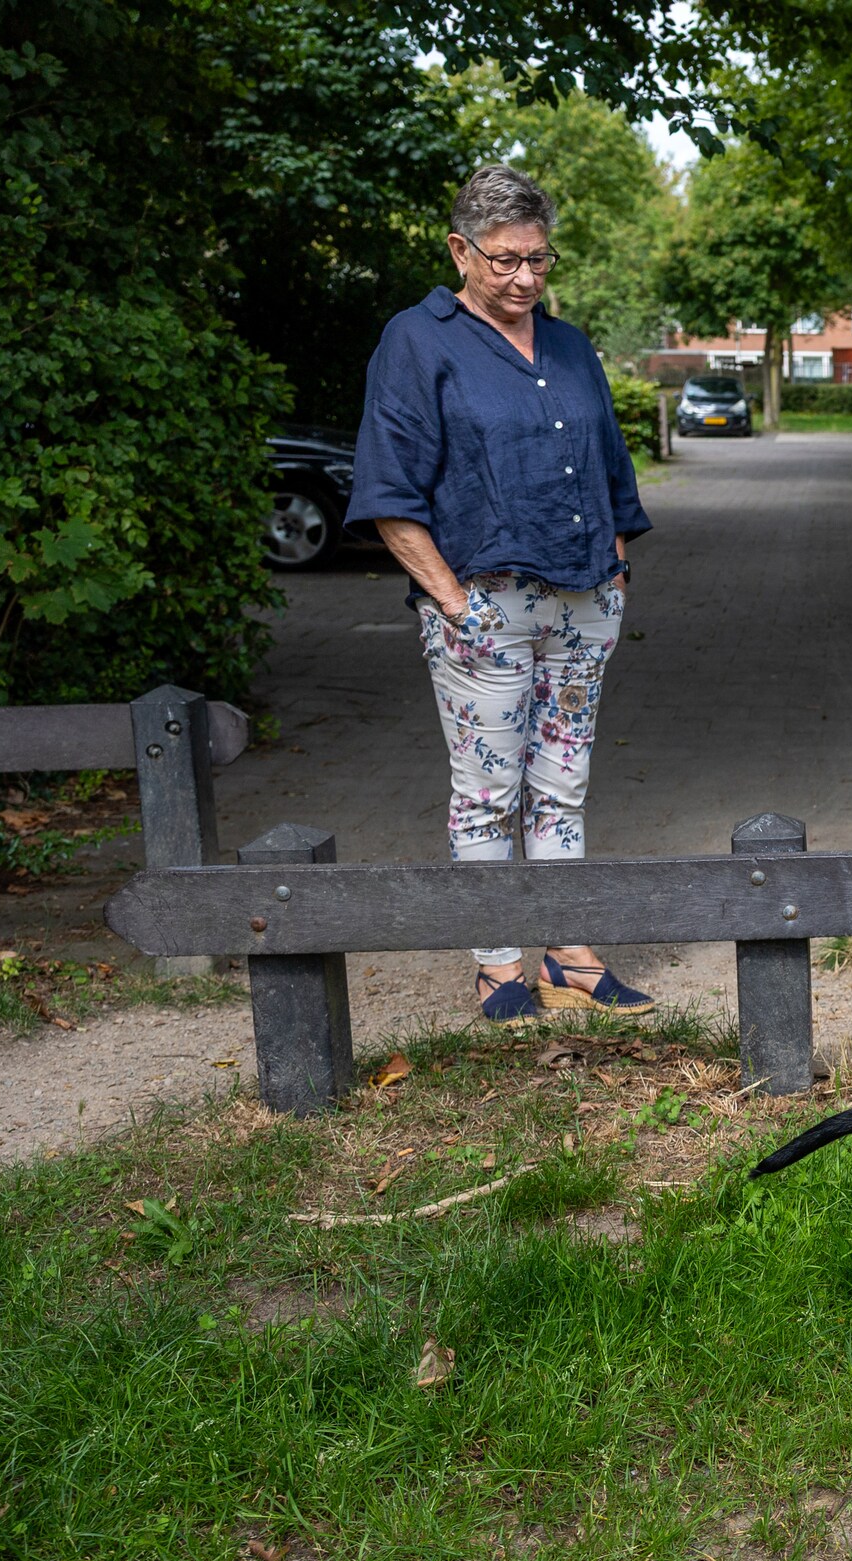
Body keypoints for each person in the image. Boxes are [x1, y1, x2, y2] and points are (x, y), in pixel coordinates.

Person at [346, 164, 656, 1023]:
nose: (524, 278)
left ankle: (568, 952)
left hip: (586, 601)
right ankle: (497, 964)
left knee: (561, 783)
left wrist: (619, 561)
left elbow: (612, 468)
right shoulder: (417, 340)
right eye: (504, 260)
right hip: (484, 605)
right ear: (460, 249)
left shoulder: (567, 343)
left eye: (539, 259)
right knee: (488, 791)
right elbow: (389, 489)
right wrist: (451, 601)